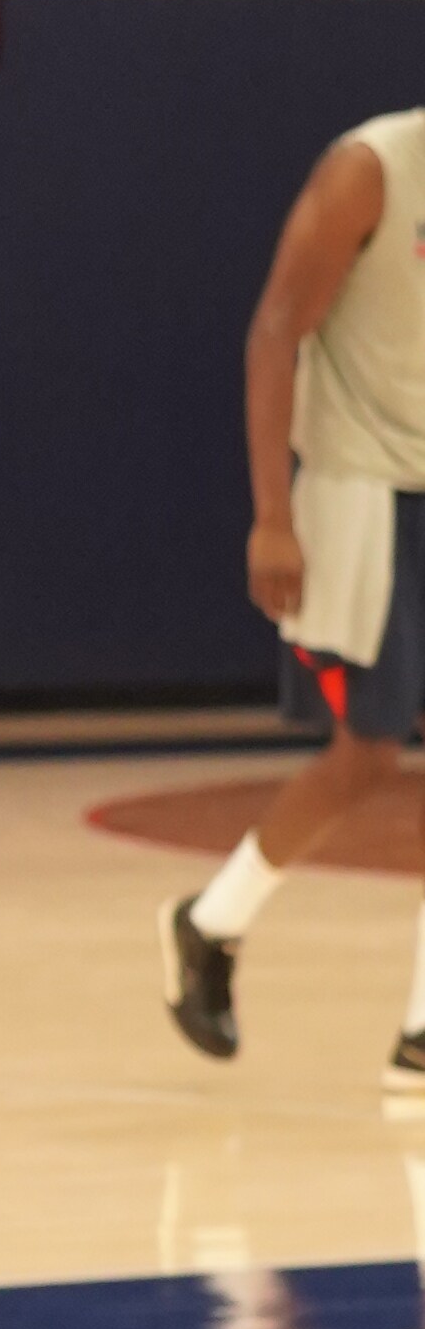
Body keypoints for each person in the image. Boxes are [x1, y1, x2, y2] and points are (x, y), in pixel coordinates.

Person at [163, 110, 425, 1087]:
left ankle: (419, 1030)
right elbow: (274, 328)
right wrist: (271, 514)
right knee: (366, 751)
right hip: (361, 485)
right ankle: (210, 922)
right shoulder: (368, 171)